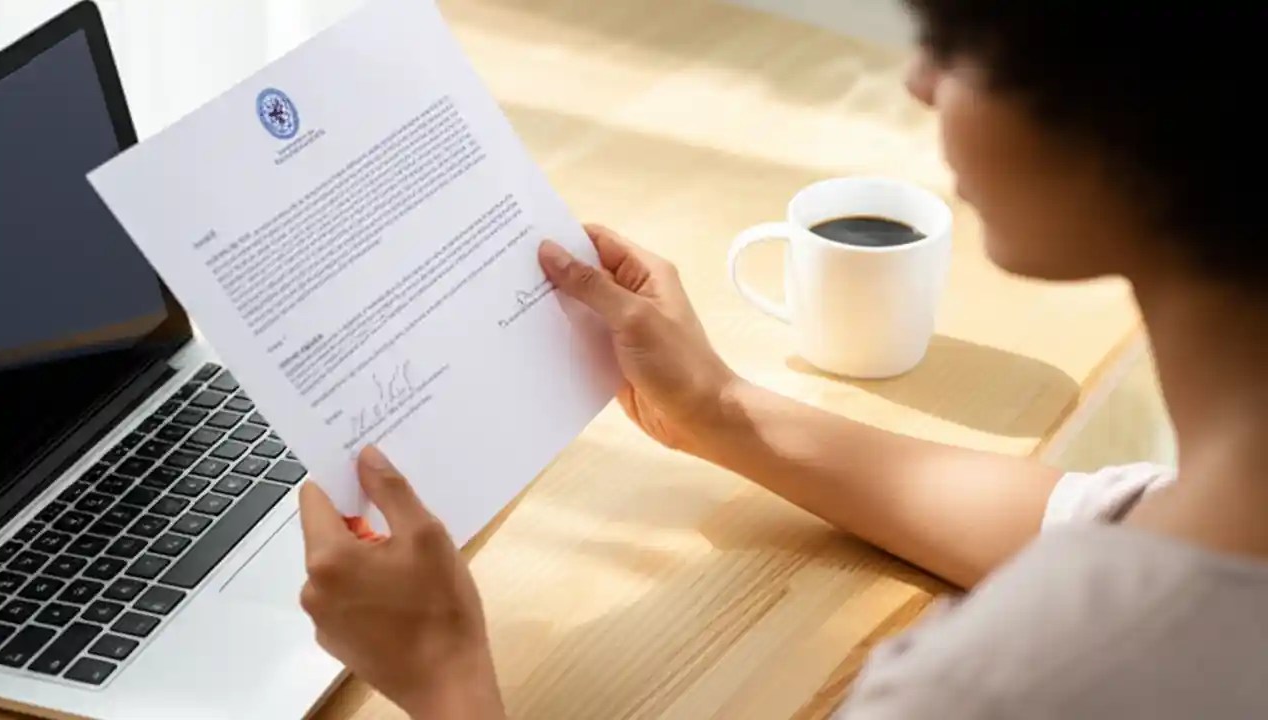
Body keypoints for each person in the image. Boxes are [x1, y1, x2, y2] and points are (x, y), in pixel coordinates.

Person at [296, 3, 1267, 718]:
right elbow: (1108, 520)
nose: (919, 83)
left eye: (956, 42)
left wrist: (448, 677)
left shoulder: (1014, 683)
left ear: (1139, 100)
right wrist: (720, 407)